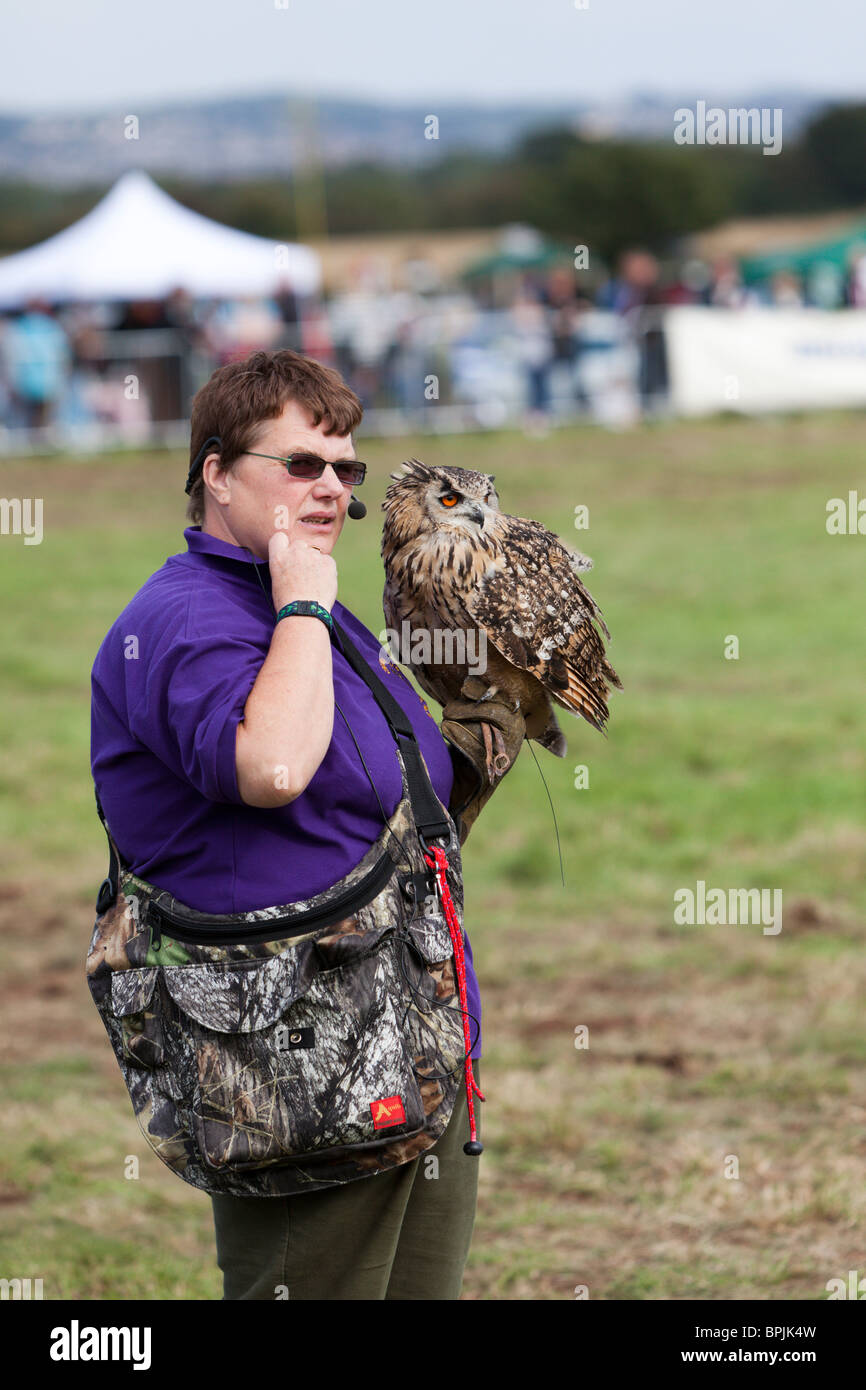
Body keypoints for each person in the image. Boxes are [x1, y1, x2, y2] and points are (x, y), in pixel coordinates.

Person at [89, 348, 523, 1300]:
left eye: (346, 468)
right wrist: (300, 604)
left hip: (416, 1036)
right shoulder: (183, 619)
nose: (331, 488)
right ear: (215, 473)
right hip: (292, 1068)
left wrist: (504, 705)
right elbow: (275, 768)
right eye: (300, 464)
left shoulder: (312, 608)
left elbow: (392, 798)